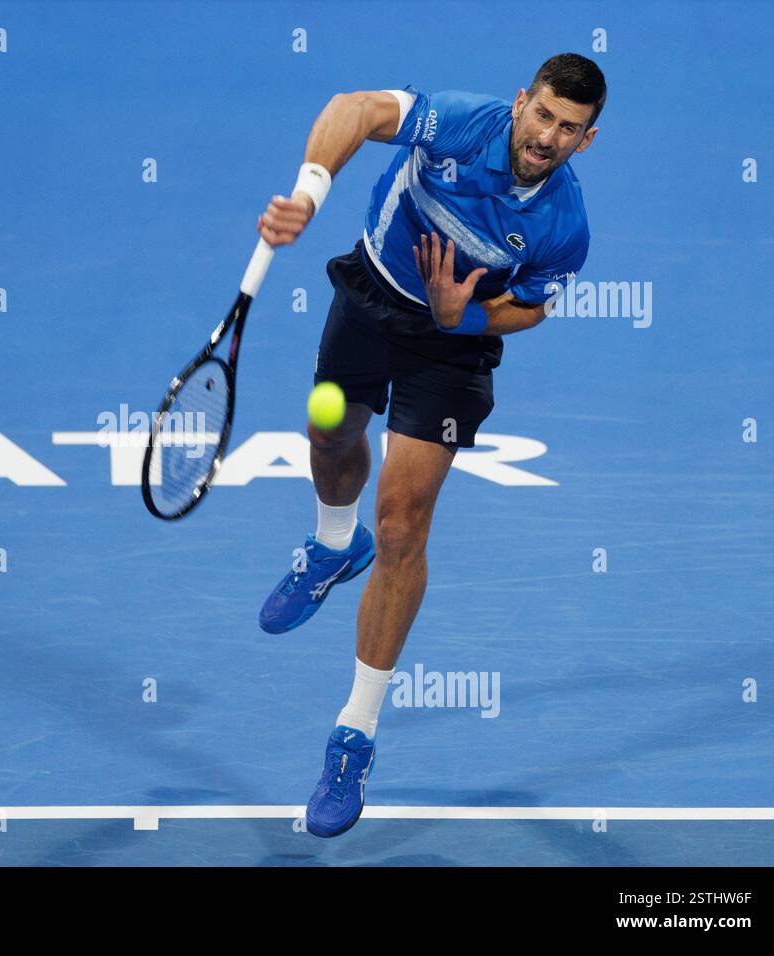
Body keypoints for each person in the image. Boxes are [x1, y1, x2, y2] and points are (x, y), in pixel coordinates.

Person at [255, 53, 606, 838]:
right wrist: (311, 192)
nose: (549, 136)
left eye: (570, 129)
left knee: (406, 522)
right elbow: (357, 107)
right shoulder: (458, 119)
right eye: (544, 114)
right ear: (522, 102)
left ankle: (354, 735)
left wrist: (467, 319)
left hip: (451, 347)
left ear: (587, 141)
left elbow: (532, 308)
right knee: (331, 430)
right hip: (375, 292)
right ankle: (333, 546)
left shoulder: (564, 224)